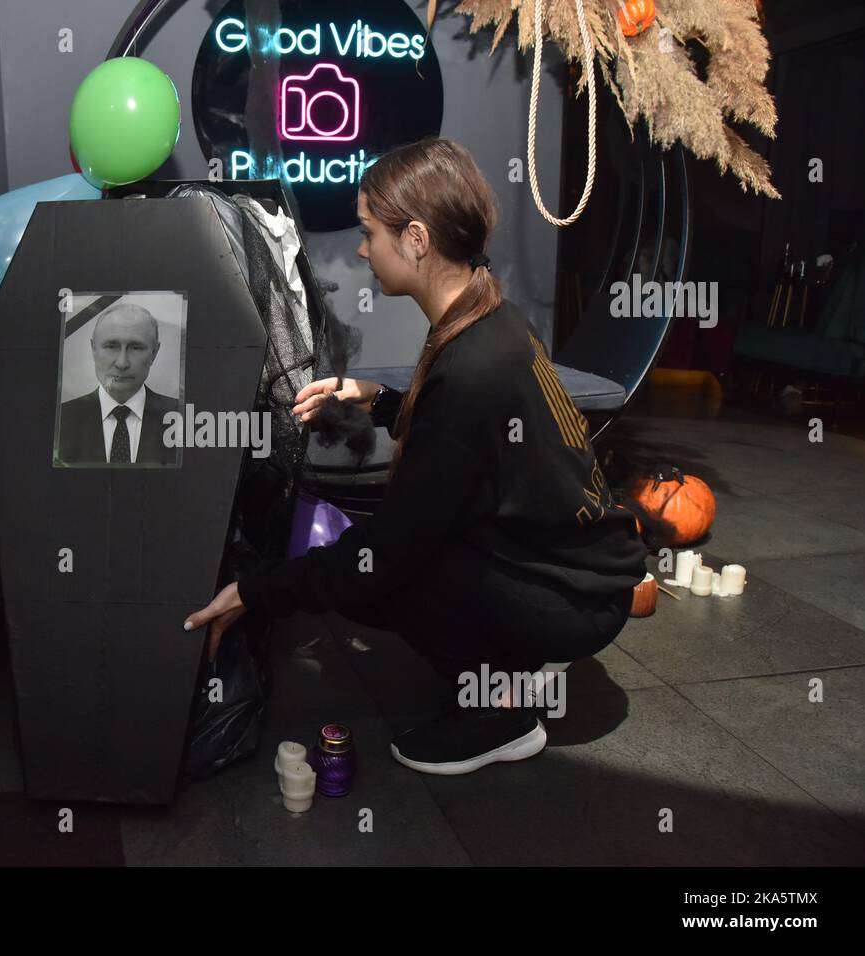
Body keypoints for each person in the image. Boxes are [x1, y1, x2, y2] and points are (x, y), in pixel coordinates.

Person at [182, 138, 647, 775]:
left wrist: (253, 592)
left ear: (418, 239)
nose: (362, 249)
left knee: (382, 572)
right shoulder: (489, 318)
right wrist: (375, 399)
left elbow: (384, 556)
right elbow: (465, 438)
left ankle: (500, 715)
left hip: (575, 598)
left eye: (371, 231)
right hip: (580, 569)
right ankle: (509, 664)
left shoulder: (474, 364)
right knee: (395, 554)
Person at [56, 302, 180, 465]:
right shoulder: (60, 419)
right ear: (93, 349)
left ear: (154, 353)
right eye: (111, 346)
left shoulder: (180, 418)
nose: (122, 363)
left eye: (135, 347)